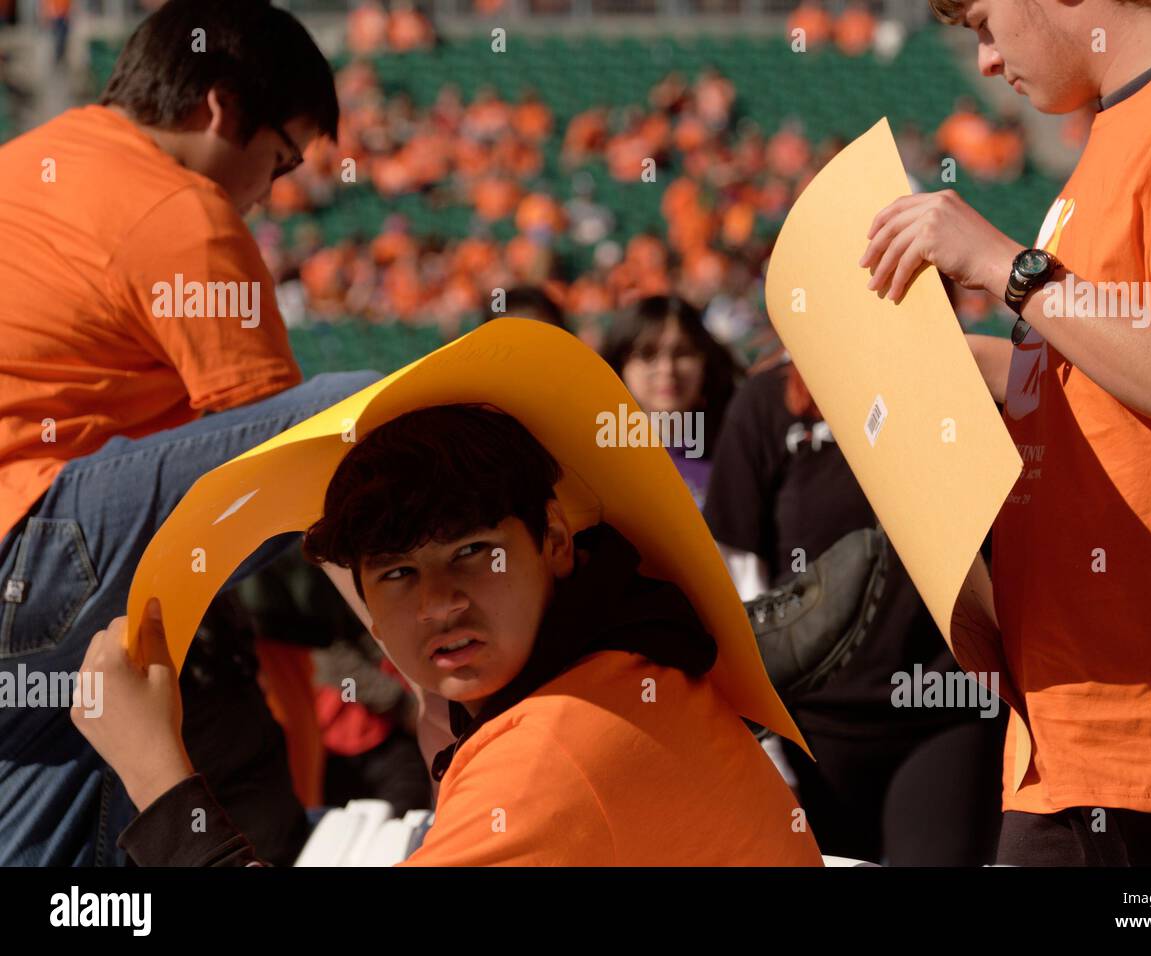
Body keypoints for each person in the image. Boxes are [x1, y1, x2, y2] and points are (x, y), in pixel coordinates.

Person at [862, 0, 1151, 864]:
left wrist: (1005, 267)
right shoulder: (1121, 123)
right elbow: (1104, 372)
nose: (986, 61)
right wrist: (925, 367)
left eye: (984, 23)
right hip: (1080, 730)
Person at [72, 403, 826, 867]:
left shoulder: (552, 750)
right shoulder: (619, 665)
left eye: (473, 553)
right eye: (397, 573)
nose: (438, 606)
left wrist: (156, 776)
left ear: (556, 541)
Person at [0, 0, 382, 865]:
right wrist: (427, 670)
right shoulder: (183, 207)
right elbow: (310, 474)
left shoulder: (26, 162)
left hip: (28, 621)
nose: (265, 196)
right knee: (359, 409)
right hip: (31, 544)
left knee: (62, 802)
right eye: (277, 162)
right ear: (218, 109)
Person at [705, 358, 1004, 864]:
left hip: (943, 716)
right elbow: (739, 585)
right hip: (810, 734)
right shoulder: (766, 403)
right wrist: (767, 746)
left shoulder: (972, 383)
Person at [600, 296, 740, 508]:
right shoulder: (598, 464)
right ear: (620, 366)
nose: (667, 369)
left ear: (705, 361)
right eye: (647, 354)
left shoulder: (737, 454)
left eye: (682, 353)